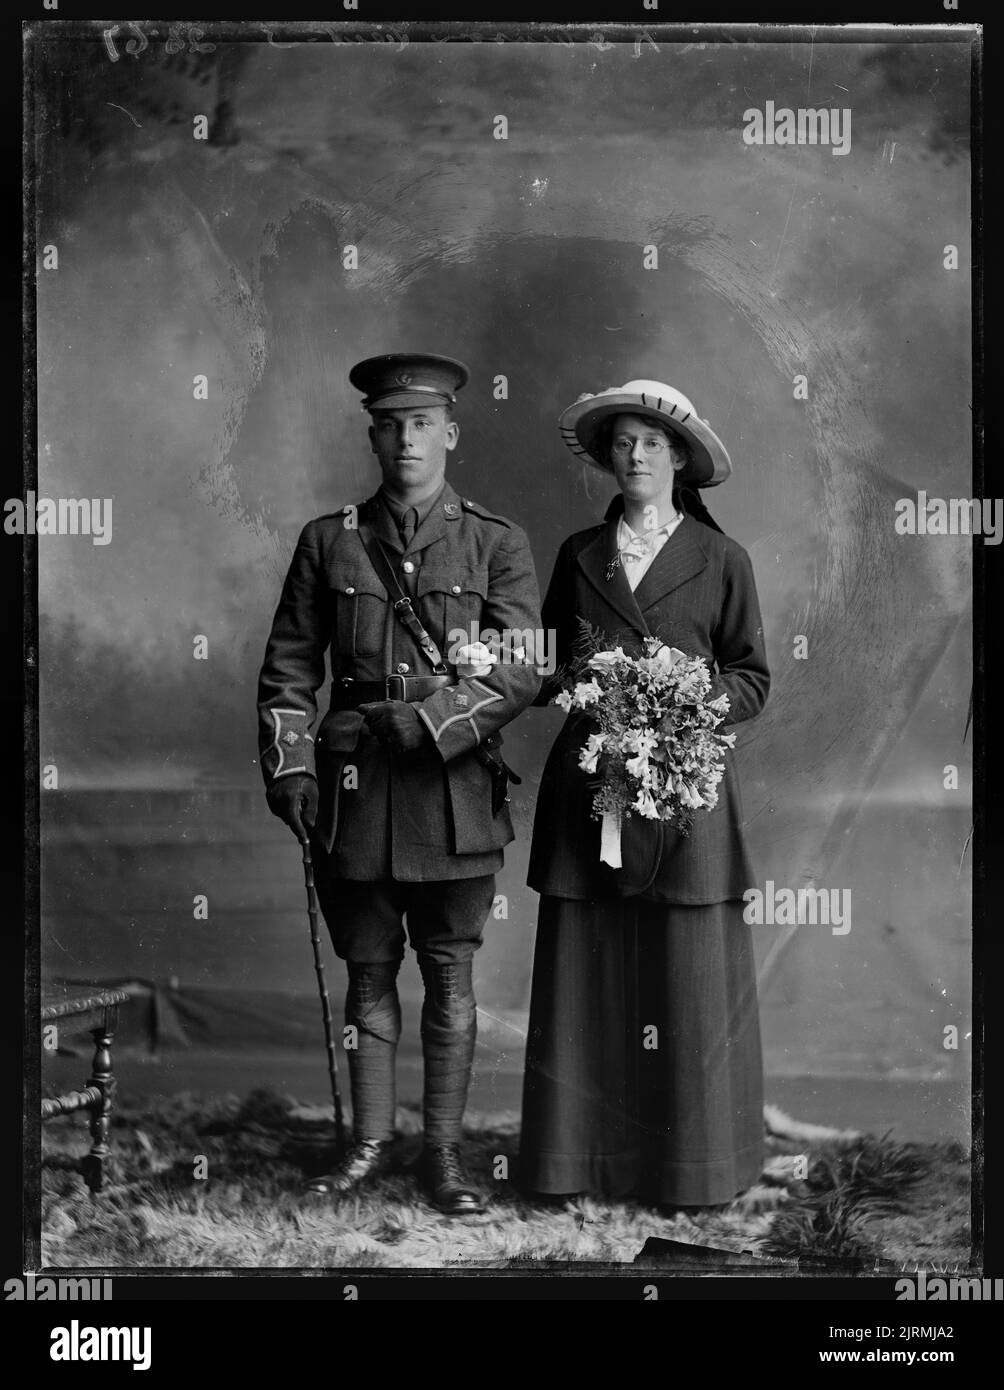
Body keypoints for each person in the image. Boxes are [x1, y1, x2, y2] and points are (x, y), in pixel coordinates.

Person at [257, 353, 542, 1215]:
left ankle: (445, 1156)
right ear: (373, 434)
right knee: (368, 976)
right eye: (391, 423)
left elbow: (522, 671)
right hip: (353, 794)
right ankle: (367, 1144)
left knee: (451, 981)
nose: (407, 438)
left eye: (423, 423)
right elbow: (288, 670)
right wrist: (292, 767)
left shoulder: (496, 540)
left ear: (449, 433)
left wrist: (428, 723)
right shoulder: (328, 539)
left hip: (452, 797)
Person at [519, 378, 770, 1207]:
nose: (636, 456)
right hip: (593, 785)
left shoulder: (721, 558)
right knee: (588, 963)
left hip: (686, 791)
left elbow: (752, 676)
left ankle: (691, 1169)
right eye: (623, 443)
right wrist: (589, 693)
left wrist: (688, 709)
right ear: (608, 458)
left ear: (680, 459)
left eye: (653, 444)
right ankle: (578, 1162)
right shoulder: (576, 555)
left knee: (685, 973)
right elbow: (549, 661)